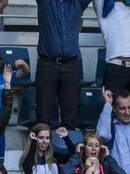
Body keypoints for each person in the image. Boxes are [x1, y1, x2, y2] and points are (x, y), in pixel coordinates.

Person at [34, 0, 88, 128]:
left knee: (70, 116)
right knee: (43, 114)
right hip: (47, 64)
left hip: (71, 65)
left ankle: (68, 147)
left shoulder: (78, 3)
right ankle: (42, 148)